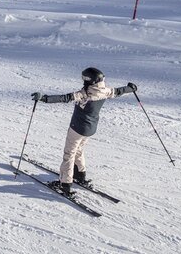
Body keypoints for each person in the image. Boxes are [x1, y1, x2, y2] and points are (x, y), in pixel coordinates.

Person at [31, 67, 138, 195]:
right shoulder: (105, 91)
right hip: (90, 129)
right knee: (79, 150)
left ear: (90, 81)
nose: (83, 83)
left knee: (69, 154)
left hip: (77, 128)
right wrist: (131, 88)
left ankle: (65, 183)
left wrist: (44, 98)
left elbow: (64, 98)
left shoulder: (84, 94)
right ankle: (80, 174)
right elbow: (119, 91)